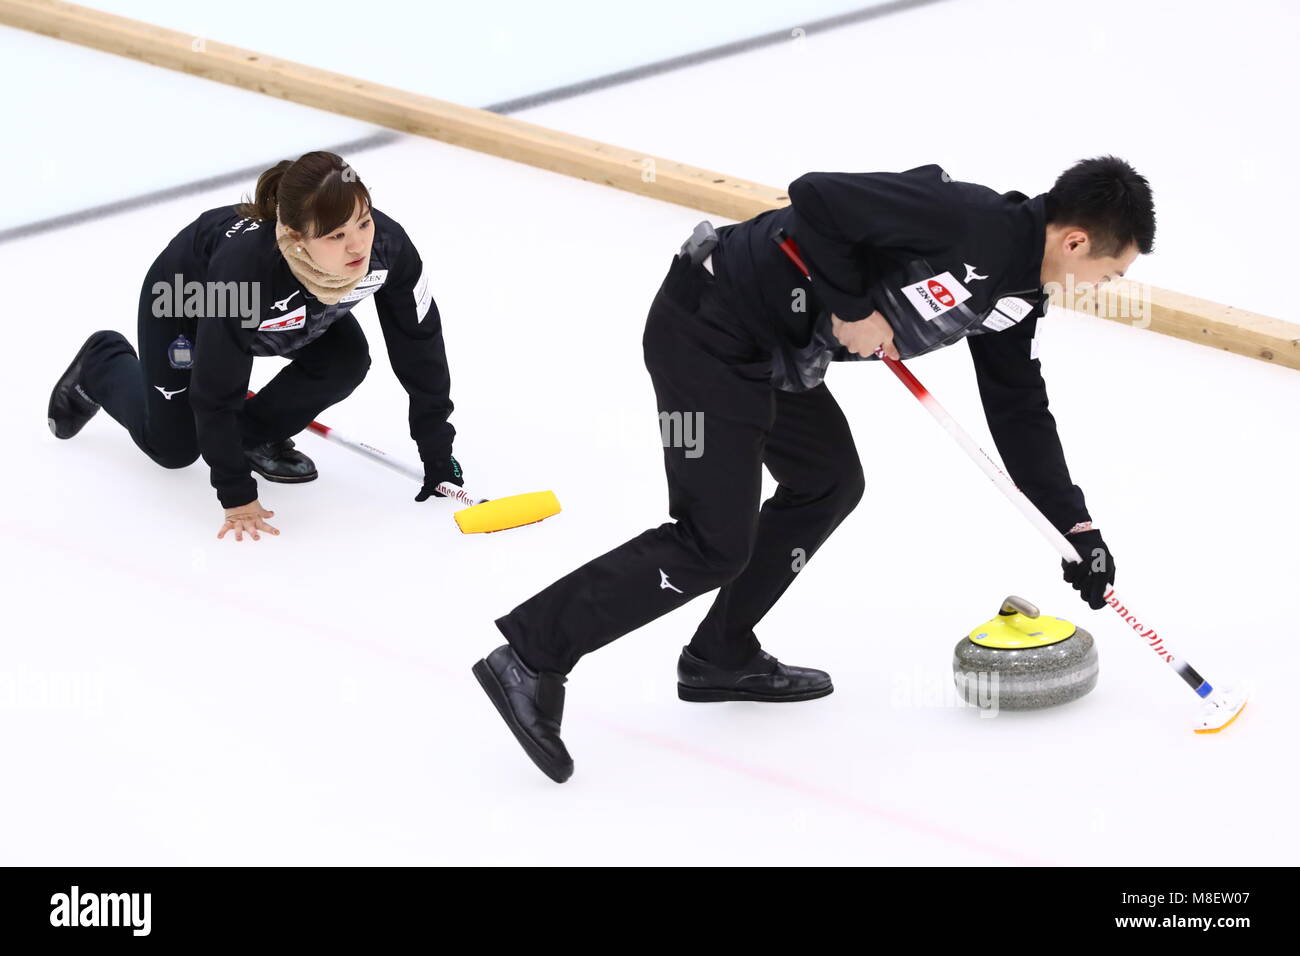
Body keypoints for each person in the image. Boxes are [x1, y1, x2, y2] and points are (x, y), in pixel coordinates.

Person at [473, 155, 1155, 783]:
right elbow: (818, 197)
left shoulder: (1017, 295)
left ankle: (721, 654)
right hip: (704, 330)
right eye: (1112, 272)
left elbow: (1018, 411)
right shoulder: (967, 219)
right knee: (710, 540)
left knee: (827, 480)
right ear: (1074, 243)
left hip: (776, 355)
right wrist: (855, 308)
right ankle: (531, 654)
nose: (1104, 287)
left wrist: (1077, 528)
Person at [47, 151, 463, 541]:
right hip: (185, 309)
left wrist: (436, 449)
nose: (358, 245)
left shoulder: (390, 247)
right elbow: (215, 390)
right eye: (336, 235)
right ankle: (103, 362)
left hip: (290, 314)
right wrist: (236, 492)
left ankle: (256, 436)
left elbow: (419, 343)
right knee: (174, 449)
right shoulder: (244, 273)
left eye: (364, 222)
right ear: (298, 237)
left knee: (345, 358)